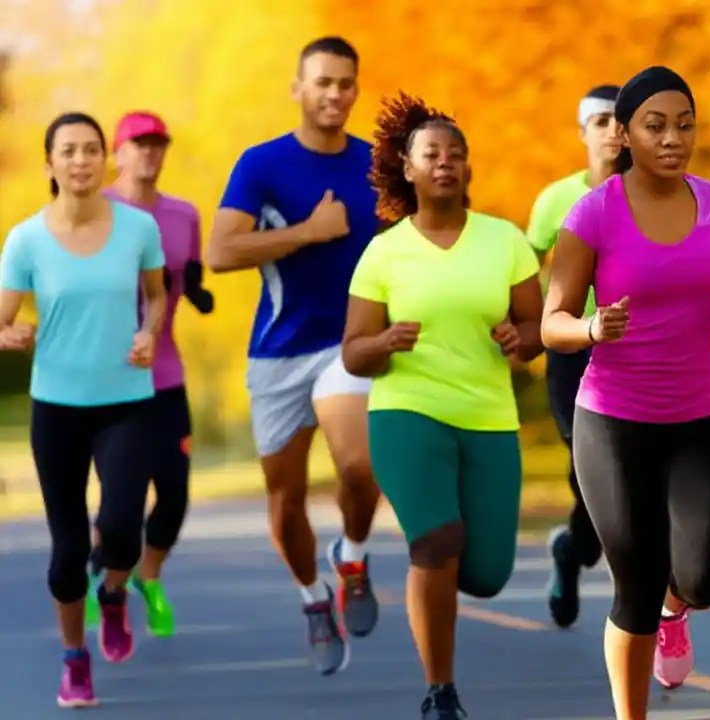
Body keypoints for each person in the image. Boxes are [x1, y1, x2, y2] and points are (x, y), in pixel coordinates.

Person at [543, 65, 710, 720]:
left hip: (698, 415)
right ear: (626, 137)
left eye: (684, 124)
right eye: (655, 125)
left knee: (706, 578)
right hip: (613, 421)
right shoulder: (594, 212)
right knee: (633, 586)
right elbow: (550, 322)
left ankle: (678, 609)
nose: (673, 138)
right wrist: (586, 326)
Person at [342, 91, 544, 720]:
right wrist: (384, 341)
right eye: (432, 154)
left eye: (457, 154)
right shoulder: (384, 252)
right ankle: (440, 690)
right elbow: (354, 353)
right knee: (436, 540)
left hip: (487, 417)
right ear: (408, 167)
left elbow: (538, 328)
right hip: (406, 411)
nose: (446, 164)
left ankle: (426, 591)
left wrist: (522, 339)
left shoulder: (504, 240)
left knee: (484, 574)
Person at [207, 35, 383, 675]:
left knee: (360, 467)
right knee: (285, 500)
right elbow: (221, 253)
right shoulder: (262, 164)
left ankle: (354, 554)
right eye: (322, 82)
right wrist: (309, 232)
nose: (334, 94)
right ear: (298, 89)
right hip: (280, 349)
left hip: (349, 346)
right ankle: (314, 598)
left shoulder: (376, 166)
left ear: (355, 89)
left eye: (345, 83)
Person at [0, 112, 167, 708]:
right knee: (68, 550)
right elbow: (3, 316)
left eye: (92, 149)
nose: (81, 160)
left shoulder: (138, 228)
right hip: (58, 409)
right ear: (49, 164)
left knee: (123, 529)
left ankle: (116, 594)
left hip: (126, 401)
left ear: (105, 159)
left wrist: (150, 332)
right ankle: (75, 658)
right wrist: (9, 334)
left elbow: (156, 295)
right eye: (68, 150)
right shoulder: (25, 239)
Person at [82, 110, 215, 638]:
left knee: (176, 492)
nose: (150, 153)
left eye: (158, 144)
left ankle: (148, 575)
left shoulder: (183, 214)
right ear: (118, 153)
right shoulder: (96, 210)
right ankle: (103, 571)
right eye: (139, 144)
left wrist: (201, 291)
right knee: (122, 497)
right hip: (107, 380)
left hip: (166, 375)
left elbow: (192, 272)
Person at [526, 83, 621, 629]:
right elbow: (521, 271)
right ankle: (580, 550)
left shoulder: (650, 194)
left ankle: (580, 551)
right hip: (569, 348)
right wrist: (518, 327)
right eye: (601, 121)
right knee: (589, 462)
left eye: (619, 121)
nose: (613, 131)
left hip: (633, 345)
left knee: (616, 464)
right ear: (582, 132)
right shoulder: (554, 201)